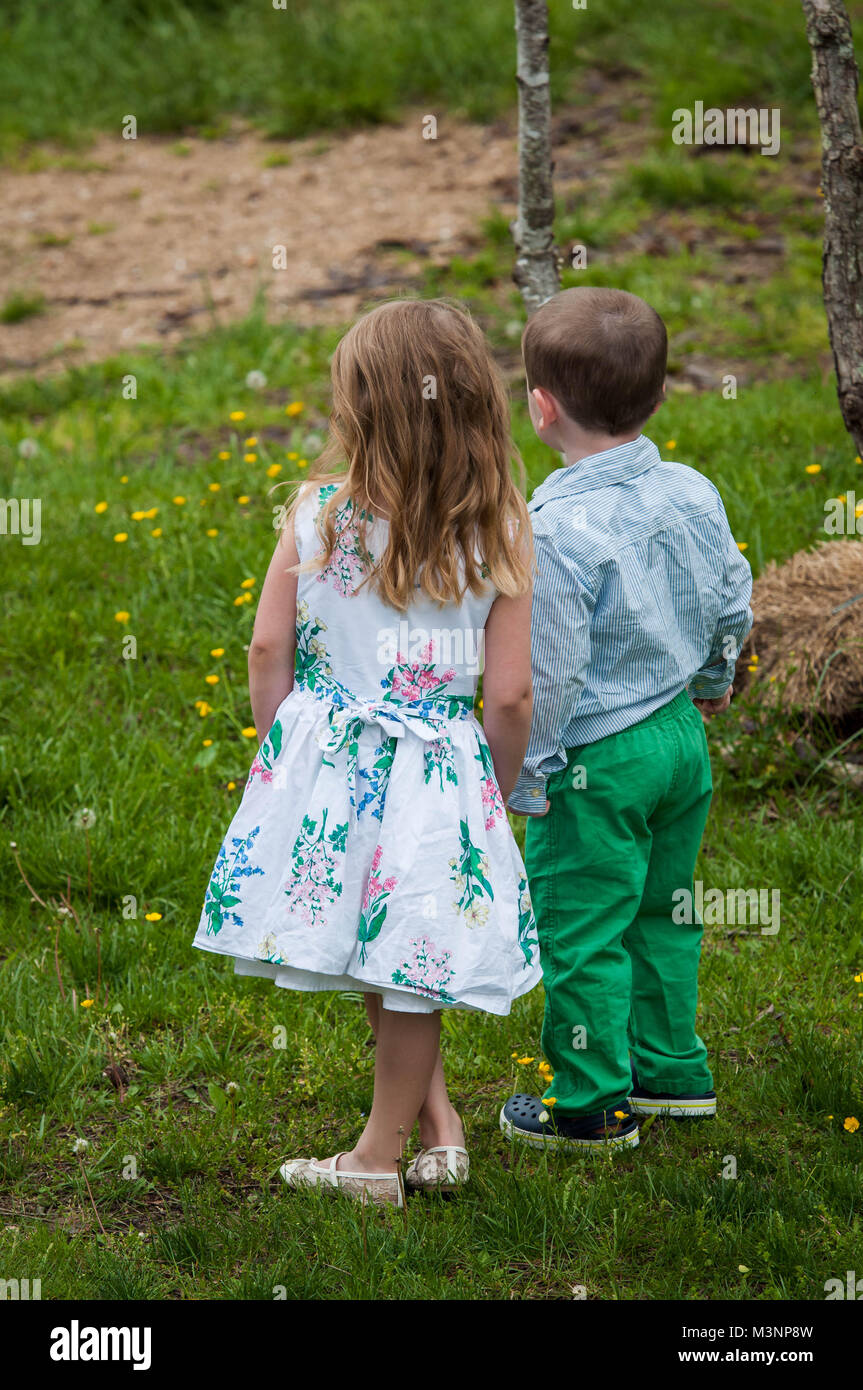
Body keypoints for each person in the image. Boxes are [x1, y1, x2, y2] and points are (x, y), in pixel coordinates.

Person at [192, 298, 542, 1204]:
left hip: (333, 762)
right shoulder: (501, 526)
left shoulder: (318, 515)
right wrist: (490, 792)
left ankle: (372, 1164)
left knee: (398, 960)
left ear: (359, 409)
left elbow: (268, 651)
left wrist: (286, 762)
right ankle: (440, 1128)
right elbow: (507, 694)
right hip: (437, 772)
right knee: (397, 947)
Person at [501, 286, 753, 1151]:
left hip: (595, 760)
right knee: (664, 911)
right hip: (682, 739)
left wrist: (527, 777)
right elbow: (731, 590)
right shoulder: (690, 489)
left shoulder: (555, 529)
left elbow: (552, 672)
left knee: (580, 929)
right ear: (655, 396)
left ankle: (592, 1103)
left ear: (540, 407)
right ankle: (671, 1071)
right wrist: (716, 675)